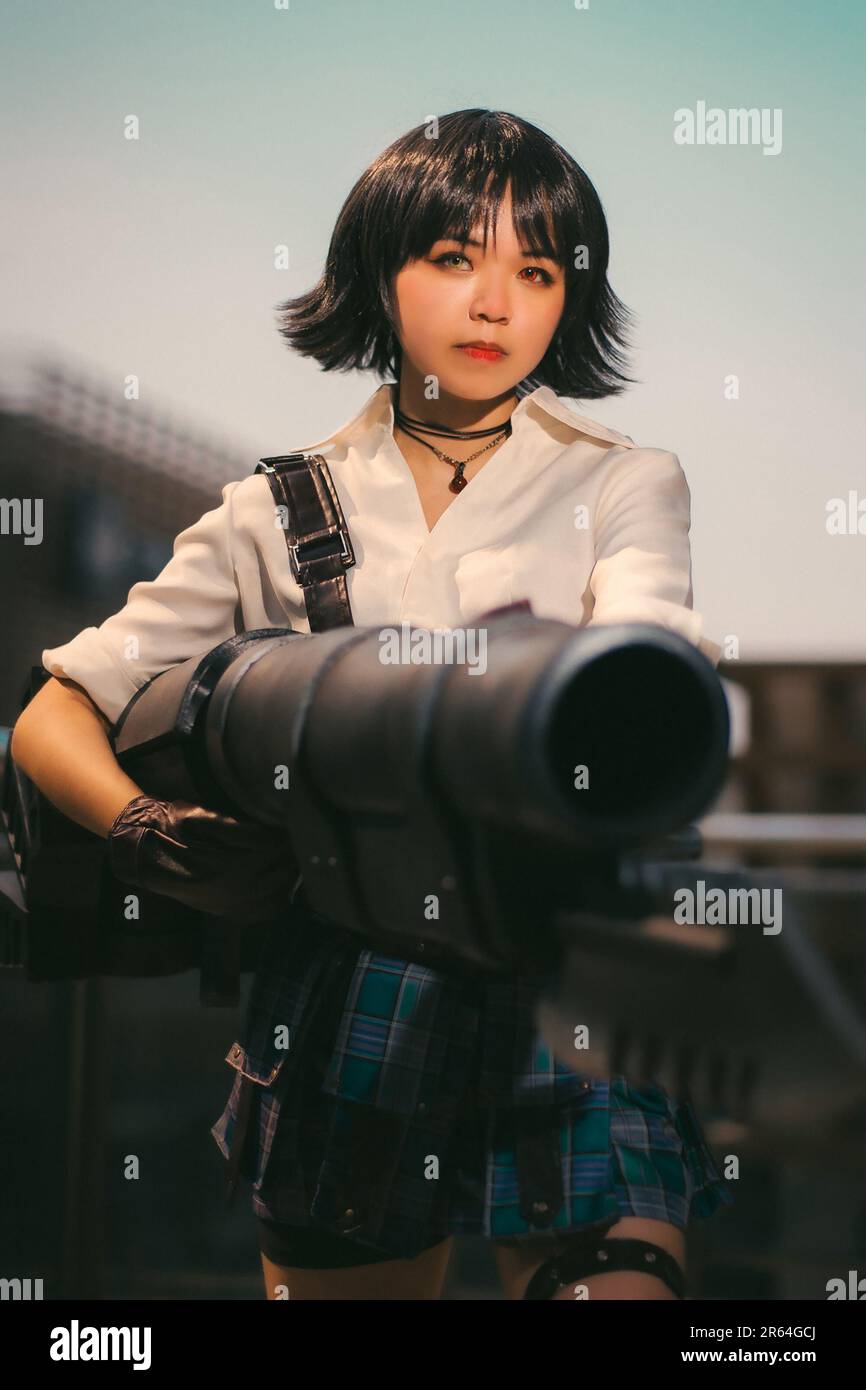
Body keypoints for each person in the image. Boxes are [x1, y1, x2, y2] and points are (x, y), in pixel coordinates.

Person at [13, 108, 733, 1301]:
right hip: (354, 984)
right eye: (454, 259)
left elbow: (646, 648)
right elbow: (53, 711)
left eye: (536, 271)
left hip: (573, 974)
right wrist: (142, 829)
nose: (495, 304)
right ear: (375, 271)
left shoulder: (621, 481)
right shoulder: (276, 507)